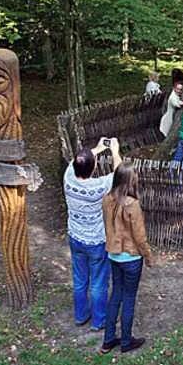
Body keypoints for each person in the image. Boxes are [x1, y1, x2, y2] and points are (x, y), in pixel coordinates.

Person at [64, 137, 123, 330]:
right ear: (93, 167)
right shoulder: (98, 186)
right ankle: (99, 321)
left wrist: (96, 149)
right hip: (96, 241)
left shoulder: (68, 178)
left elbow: (76, 161)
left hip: (75, 237)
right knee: (98, 283)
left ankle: (81, 315)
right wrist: (114, 151)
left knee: (80, 279)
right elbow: (120, 174)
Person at [100, 162, 153, 354]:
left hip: (114, 256)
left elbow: (107, 225)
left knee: (116, 294)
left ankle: (108, 341)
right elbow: (140, 237)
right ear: (130, 180)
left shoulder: (107, 199)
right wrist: (148, 255)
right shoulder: (132, 205)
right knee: (129, 298)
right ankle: (126, 341)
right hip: (131, 258)